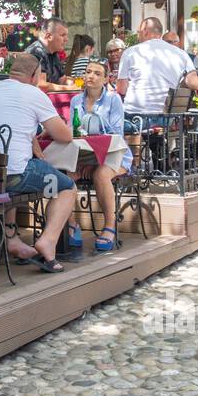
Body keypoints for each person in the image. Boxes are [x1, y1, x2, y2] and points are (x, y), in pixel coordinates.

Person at [0, 52, 76, 273]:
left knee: (11, 175)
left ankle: (11, 238)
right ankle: (48, 242)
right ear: (35, 75)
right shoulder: (34, 94)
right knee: (66, 187)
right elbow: (64, 137)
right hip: (16, 176)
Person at [67, 60, 132, 252]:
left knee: (101, 174)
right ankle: (72, 224)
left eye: (97, 73)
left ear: (105, 79)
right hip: (85, 155)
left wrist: (94, 120)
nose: (91, 76)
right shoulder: (75, 101)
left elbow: (117, 133)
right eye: (88, 72)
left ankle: (109, 226)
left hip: (115, 153)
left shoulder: (113, 99)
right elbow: (74, 133)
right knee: (65, 176)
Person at [115, 17, 198, 125]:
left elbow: (122, 89)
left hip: (135, 116)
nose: (138, 35)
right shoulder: (181, 54)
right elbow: (195, 84)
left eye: (139, 32)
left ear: (145, 30)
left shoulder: (130, 52)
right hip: (168, 118)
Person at [25, 17, 73, 91]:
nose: (66, 39)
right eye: (63, 35)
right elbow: (41, 85)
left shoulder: (53, 52)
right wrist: (69, 88)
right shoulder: (36, 51)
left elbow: (62, 80)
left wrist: (76, 83)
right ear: (49, 36)